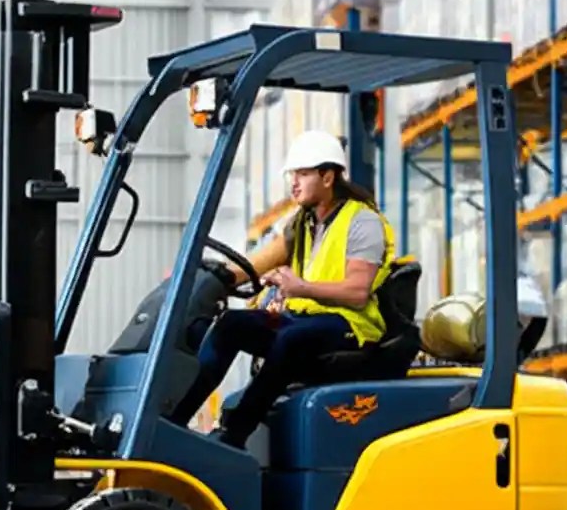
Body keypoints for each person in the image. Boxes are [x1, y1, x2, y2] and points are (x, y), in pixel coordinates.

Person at [167, 130, 396, 449]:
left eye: (303, 174)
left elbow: (357, 292)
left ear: (328, 176)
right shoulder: (303, 222)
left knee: (290, 339)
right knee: (232, 324)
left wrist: (299, 287)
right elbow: (257, 264)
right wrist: (210, 281)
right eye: (293, 175)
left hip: (350, 327)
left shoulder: (362, 222)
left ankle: (234, 433)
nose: (294, 183)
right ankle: (173, 421)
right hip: (306, 319)